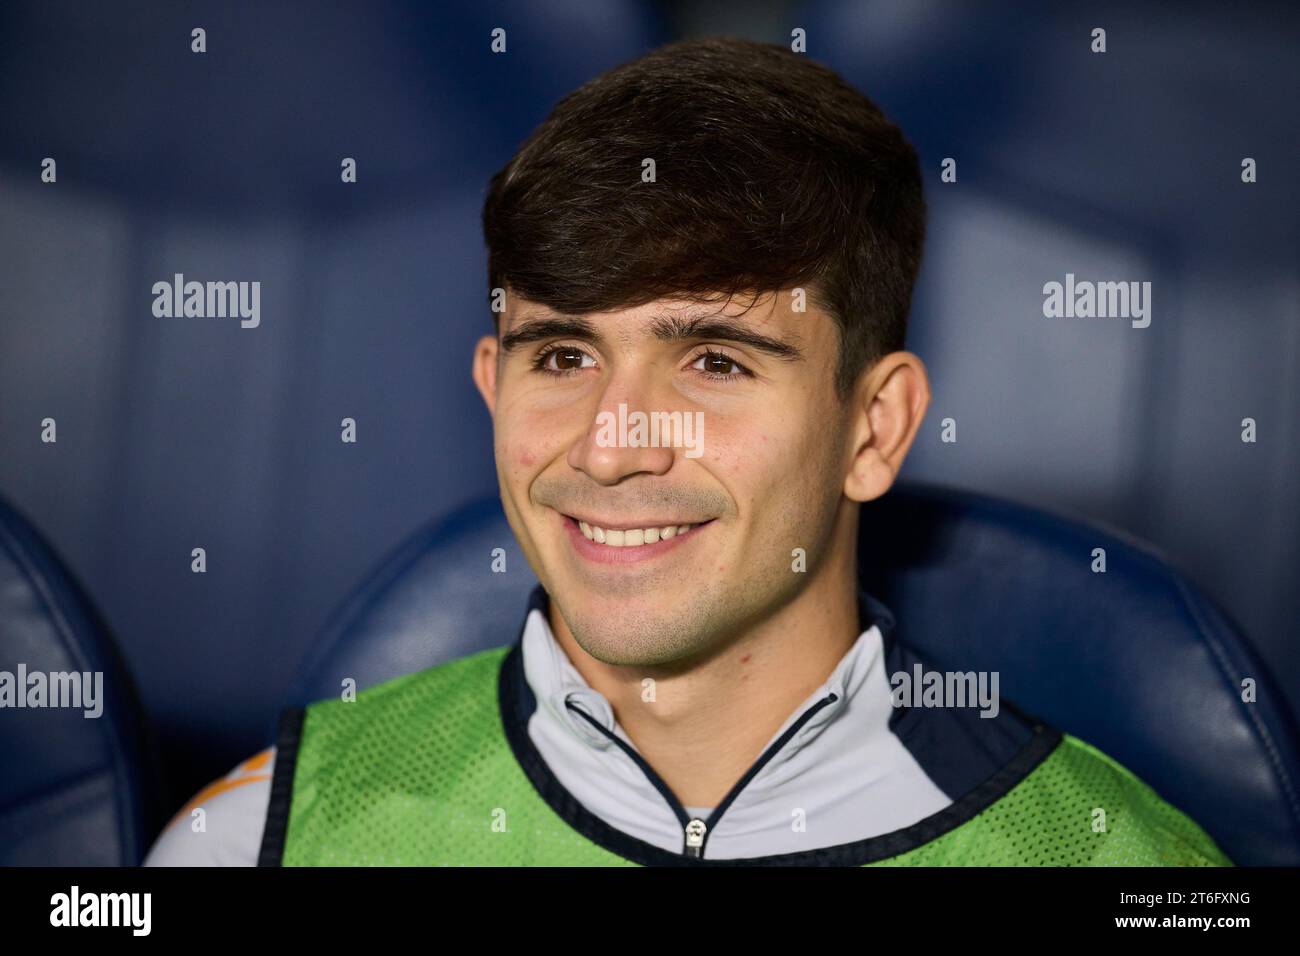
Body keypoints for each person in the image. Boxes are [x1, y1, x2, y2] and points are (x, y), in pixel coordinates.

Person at [145, 36, 1231, 867]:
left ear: (874, 427)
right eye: (562, 356)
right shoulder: (261, 838)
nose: (612, 448)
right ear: (492, 385)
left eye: (713, 361)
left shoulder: (1120, 863)